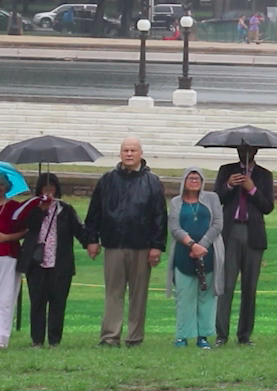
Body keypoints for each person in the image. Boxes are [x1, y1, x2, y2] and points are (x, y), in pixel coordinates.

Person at [84, 136, 168, 348]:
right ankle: (110, 336)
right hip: (114, 244)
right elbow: (94, 212)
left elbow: (160, 216)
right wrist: (92, 240)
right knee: (113, 293)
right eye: (125, 150)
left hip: (142, 246)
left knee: (138, 295)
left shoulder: (152, 182)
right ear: (120, 153)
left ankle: (135, 337)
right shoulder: (107, 180)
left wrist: (157, 246)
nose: (129, 154)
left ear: (141, 153)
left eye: (133, 150)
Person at [16, 174, 87, 348]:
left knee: (58, 302)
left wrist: (91, 243)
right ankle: (37, 339)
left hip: (60, 263)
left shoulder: (66, 209)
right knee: (37, 302)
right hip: (37, 263)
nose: (48, 190)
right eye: (45, 187)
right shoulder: (32, 208)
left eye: (52, 187)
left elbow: (79, 229)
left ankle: (54, 339)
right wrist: (41, 209)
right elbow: (28, 226)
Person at [213, 145, 274, 347]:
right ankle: (221, 334)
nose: (244, 153)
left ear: (256, 151)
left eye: (248, 150)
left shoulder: (265, 175)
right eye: (241, 149)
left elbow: (268, 206)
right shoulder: (226, 170)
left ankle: (244, 335)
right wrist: (229, 185)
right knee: (226, 285)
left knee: (250, 286)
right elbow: (216, 200)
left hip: (253, 233)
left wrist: (252, 189)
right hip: (231, 233)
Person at [166, 168, 224, 349]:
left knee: (206, 296)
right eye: (190, 178)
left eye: (197, 178)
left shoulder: (212, 198)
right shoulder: (176, 202)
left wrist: (202, 245)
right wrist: (192, 244)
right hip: (184, 254)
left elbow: (217, 224)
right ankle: (183, 335)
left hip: (209, 253)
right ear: (184, 181)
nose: (193, 181)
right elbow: (174, 227)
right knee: (185, 296)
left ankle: (203, 336)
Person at [0, 172, 27, 349]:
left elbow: (26, 230)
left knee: (6, 297)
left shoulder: (16, 207)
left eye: (1, 185)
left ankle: (2, 337)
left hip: (8, 254)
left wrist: (7, 237)